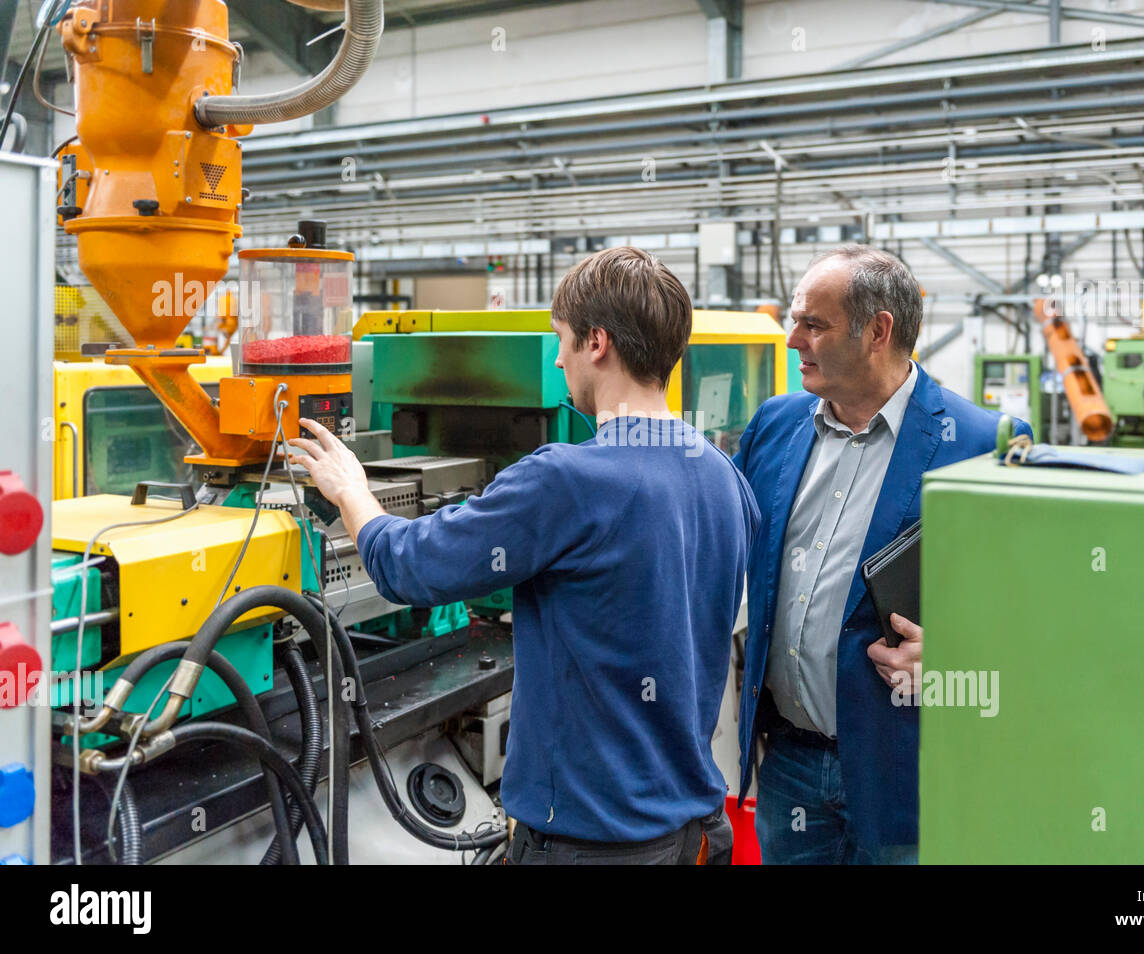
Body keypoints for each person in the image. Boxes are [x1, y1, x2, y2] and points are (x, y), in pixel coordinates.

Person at [290, 246, 758, 864]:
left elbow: (409, 566)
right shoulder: (724, 474)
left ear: (597, 342)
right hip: (693, 830)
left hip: (592, 842)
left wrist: (351, 492)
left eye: (560, 340)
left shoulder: (568, 479)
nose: (557, 358)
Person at [733, 245, 1031, 864]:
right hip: (788, 763)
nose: (793, 341)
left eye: (813, 324)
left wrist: (955, 657)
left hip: (907, 767)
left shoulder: (983, 444)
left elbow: (1037, 615)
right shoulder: (775, 426)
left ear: (878, 330)